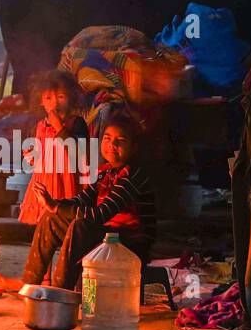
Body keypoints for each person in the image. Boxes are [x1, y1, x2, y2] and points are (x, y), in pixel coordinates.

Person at [13, 112, 155, 291]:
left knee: (80, 226)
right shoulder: (105, 172)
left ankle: (60, 291)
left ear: (134, 147)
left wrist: (57, 208)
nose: (112, 145)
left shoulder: (133, 174)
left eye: (121, 140)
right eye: (107, 138)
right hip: (107, 235)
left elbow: (101, 213)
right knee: (50, 219)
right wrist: (54, 203)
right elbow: (83, 199)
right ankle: (29, 283)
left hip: (129, 241)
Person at [17, 70, 90, 227]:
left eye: (61, 97)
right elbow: (39, 156)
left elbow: (79, 154)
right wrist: (30, 156)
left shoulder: (76, 124)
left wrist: (59, 128)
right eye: (48, 98)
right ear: (41, 101)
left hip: (67, 184)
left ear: (71, 98)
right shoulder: (40, 126)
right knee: (44, 223)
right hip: (44, 183)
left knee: (64, 222)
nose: (55, 103)